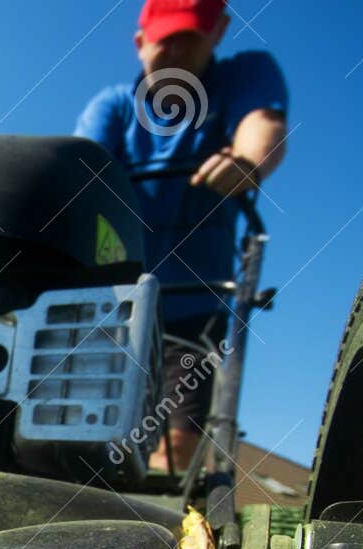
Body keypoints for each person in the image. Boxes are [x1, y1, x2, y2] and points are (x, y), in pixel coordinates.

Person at [75, 0, 288, 472]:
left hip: (196, 308)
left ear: (218, 33)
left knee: (176, 442)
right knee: (88, 427)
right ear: (140, 43)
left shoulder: (241, 77)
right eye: (165, 41)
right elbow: (83, 171)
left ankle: (151, 512)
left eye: (188, 38)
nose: (175, 52)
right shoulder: (114, 106)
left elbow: (263, 124)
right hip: (114, 304)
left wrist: (245, 162)